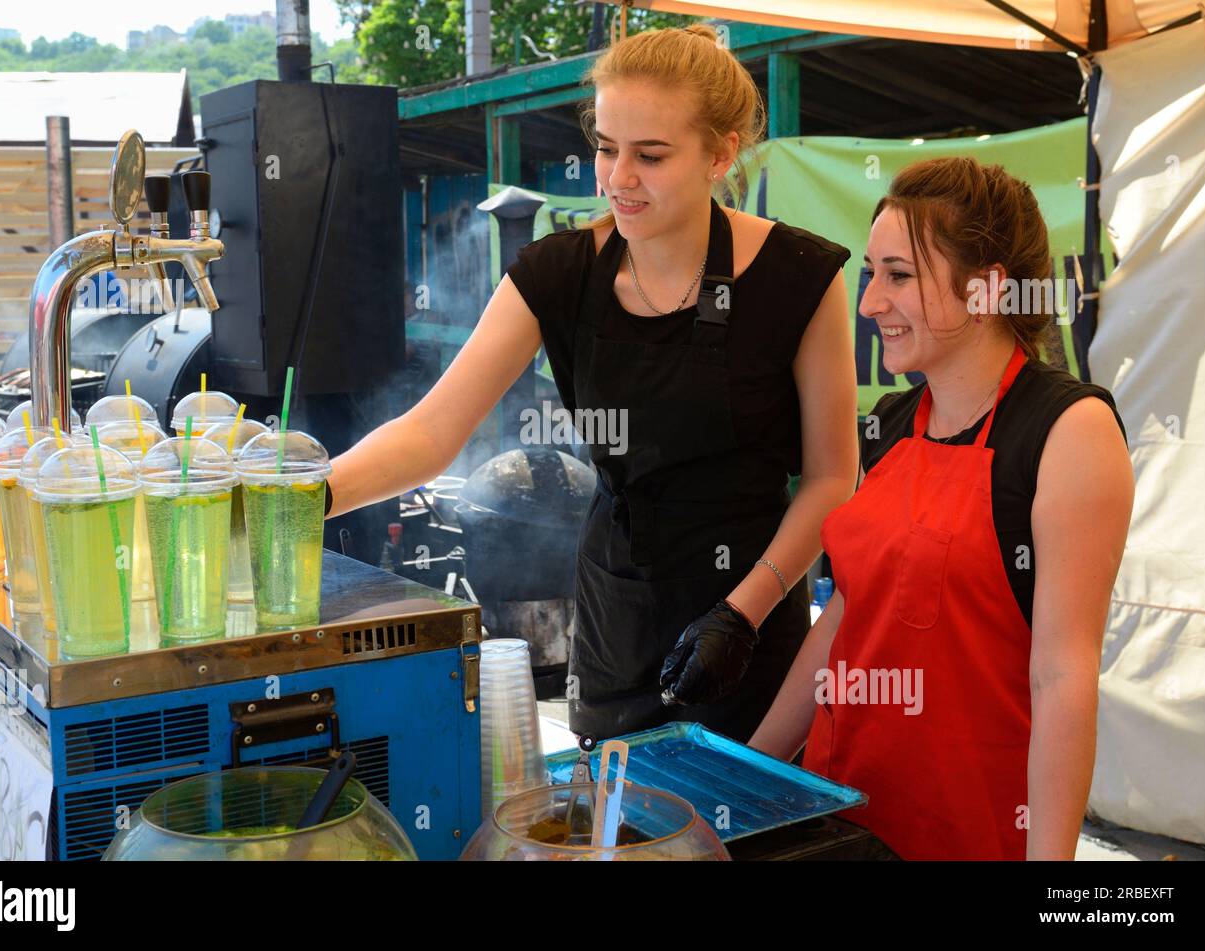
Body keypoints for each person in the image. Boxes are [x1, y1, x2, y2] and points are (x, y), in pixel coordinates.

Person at [325, 24, 858, 742]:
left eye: (651, 155)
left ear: (722, 151)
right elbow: (430, 430)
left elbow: (833, 477)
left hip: (752, 624)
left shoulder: (799, 276)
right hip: (617, 616)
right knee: (617, 833)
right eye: (606, 148)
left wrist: (743, 611)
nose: (618, 178)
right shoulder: (560, 271)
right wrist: (302, 498)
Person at [749, 156, 1135, 860]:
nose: (868, 304)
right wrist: (749, 775)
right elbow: (846, 618)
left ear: (986, 290)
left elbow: (1063, 680)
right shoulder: (894, 420)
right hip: (843, 814)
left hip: (968, 830)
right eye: (872, 274)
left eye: (898, 275)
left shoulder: (1068, 430)